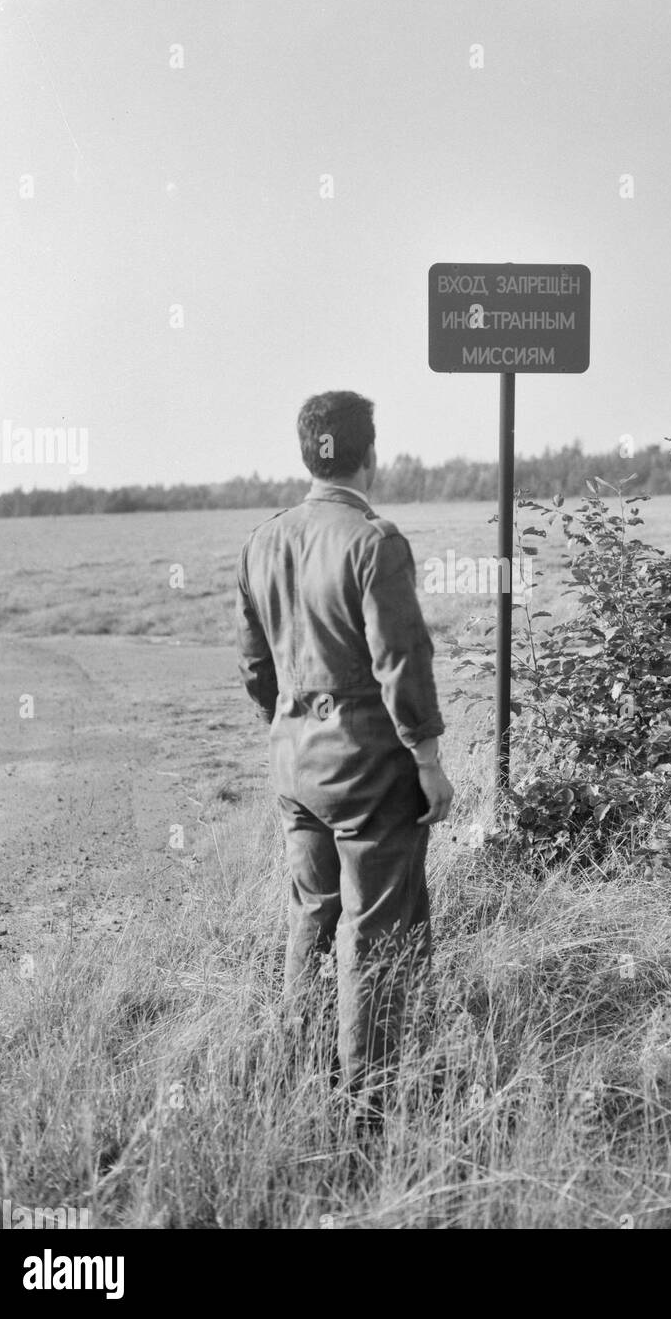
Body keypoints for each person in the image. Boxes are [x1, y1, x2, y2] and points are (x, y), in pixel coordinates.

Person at [235, 390, 453, 1111]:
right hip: (366, 768)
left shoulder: (260, 542)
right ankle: (368, 1108)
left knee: (312, 918)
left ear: (310, 452)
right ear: (370, 455)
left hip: (294, 764)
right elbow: (402, 660)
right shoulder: (374, 542)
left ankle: (301, 1079)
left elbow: (255, 670)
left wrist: (291, 723)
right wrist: (426, 760)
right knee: (374, 934)